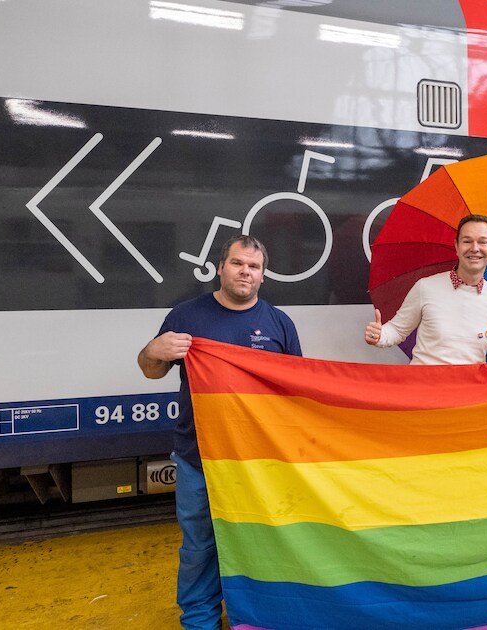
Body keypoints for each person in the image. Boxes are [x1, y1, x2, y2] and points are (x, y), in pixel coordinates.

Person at [138, 235, 301, 630]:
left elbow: (295, 391)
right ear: (220, 268)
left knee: (261, 542)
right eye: (238, 263)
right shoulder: (186, 316)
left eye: (254, 266)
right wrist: (153, 350)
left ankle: (256, 617)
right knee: (199, 547)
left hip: (258, 461)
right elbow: (150, 368)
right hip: (199, 458)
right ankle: (200, 621)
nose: (246, 272)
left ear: (263, 276)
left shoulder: (279, 324)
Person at [364, 214, 487, 364]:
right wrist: (379, 335)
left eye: (482, 241)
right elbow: (397, 330)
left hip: (468, 393)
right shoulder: (426, 287)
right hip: (424, 390)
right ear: (457, 247)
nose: (475, 248)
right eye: (467, 241)